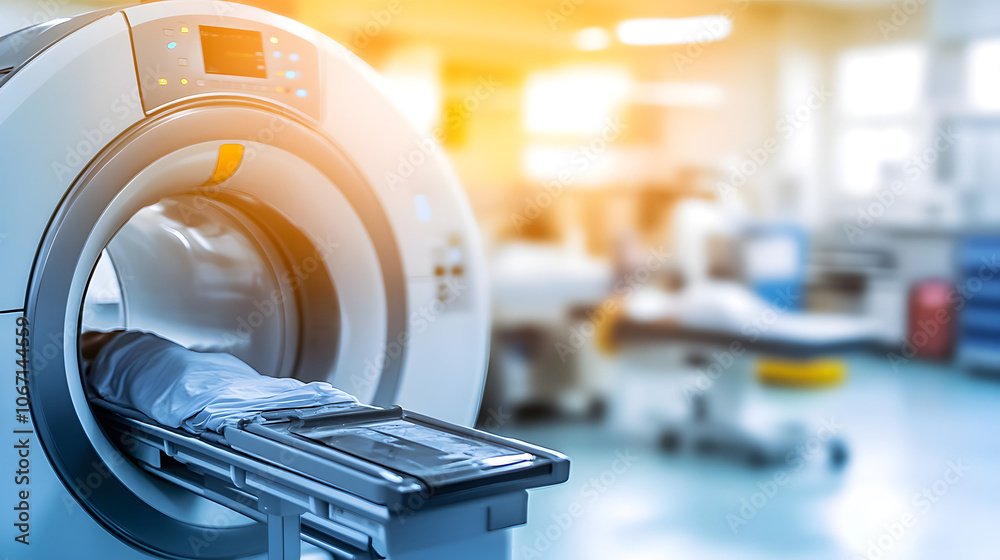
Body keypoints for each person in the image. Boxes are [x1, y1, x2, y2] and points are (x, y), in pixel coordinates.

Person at [82, 330, 356, 434]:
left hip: (176, 361)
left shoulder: (122, 341)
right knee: (208, 381)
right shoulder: (109, 358)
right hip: (163, 364)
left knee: (218, 381)